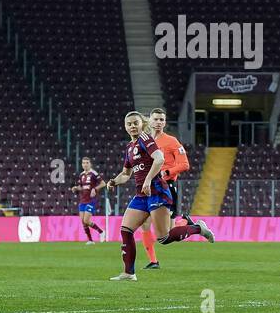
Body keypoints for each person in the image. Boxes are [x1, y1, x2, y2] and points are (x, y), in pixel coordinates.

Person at [103, 111, 214, 281]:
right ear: (125, 127)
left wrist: (148, 180)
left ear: (142, 124)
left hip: (157, 191)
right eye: (129, 124)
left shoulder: (145, 138)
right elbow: (126, 174)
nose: (132, 126)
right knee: (126, 230)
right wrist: (113, 181)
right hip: (141, 195)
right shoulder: (130, 147)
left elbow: (159, 158)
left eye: (135, 123)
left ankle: (198, 228)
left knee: (163, 238)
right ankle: (129, 273)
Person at [137, 107, 192, 269]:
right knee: (144, 224)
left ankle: (186, 222)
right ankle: (153, 261)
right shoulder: (145, 140)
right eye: (156, 119)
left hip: (166, 187)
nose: (158, 122)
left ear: (165, 122)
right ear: (150, 120)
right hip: (149, 187)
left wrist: (167, 172)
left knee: (167, 234)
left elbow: (184, 164)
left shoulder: (171, 141)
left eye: (161, 119)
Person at [70, 157, 105, 243]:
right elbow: (81, 187)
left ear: (90, 164)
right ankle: (90, 240)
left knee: (86, 220)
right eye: (83, 163)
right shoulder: (81, 175)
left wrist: (95, 189)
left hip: (91, 200)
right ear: (82, 164)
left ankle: (101, 232)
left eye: (87, 163)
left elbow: (103, 183)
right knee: (83, 222)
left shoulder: (94, 173)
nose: (85, 164)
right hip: (82, 200)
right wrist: (76, 188)